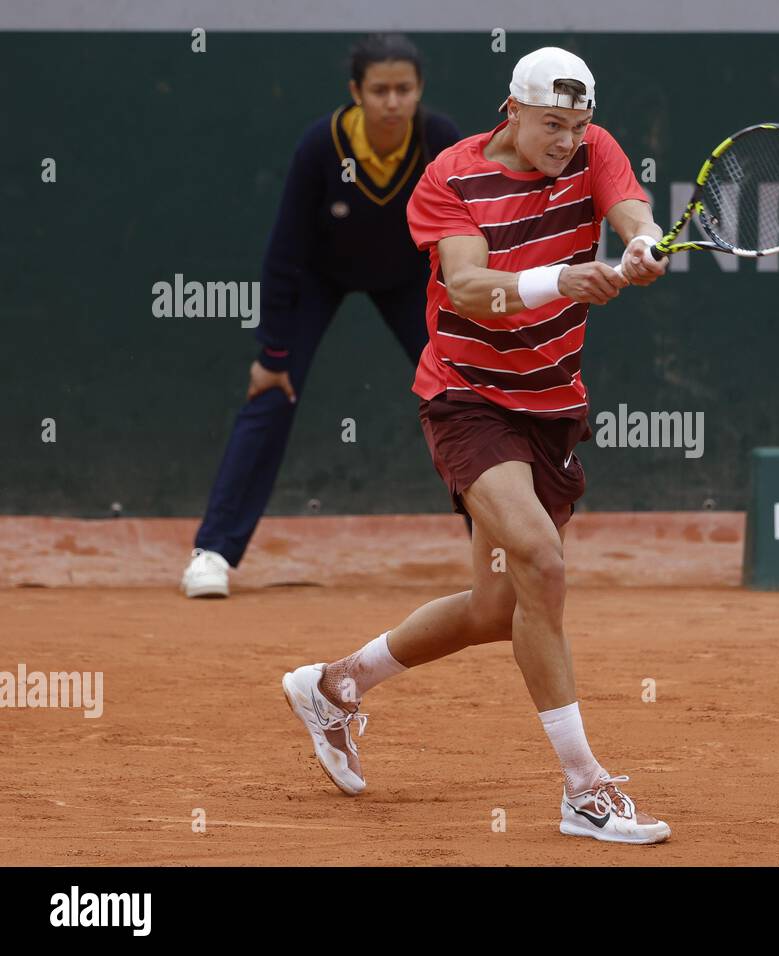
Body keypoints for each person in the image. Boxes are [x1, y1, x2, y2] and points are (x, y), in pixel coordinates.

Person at [283, 47, 673, 844]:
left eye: (577, 126)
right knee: (542, 560)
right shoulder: (451, 178)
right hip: (466, 400)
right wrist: (563, 281)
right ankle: (585, 788)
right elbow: (467, 286)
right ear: (513, 110)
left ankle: (334, 685)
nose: (566, 141)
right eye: (551, 125)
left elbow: (630, 207)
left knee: (500, 608)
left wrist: (641, 242)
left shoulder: (594, 151)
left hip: (553, 406)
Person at [182, 34, 461, 598]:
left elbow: (470, 233)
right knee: (271, 393)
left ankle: (504, 551)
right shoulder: (320, 146)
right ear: (355, 91)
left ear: (419, 91)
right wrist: (273, 352)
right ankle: (212, 552)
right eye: (378, 89)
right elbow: (285, 250)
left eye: (403, 89)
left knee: (463, 403)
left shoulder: (440, 141)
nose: (391, 101)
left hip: (412, 279)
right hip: (319, 277)